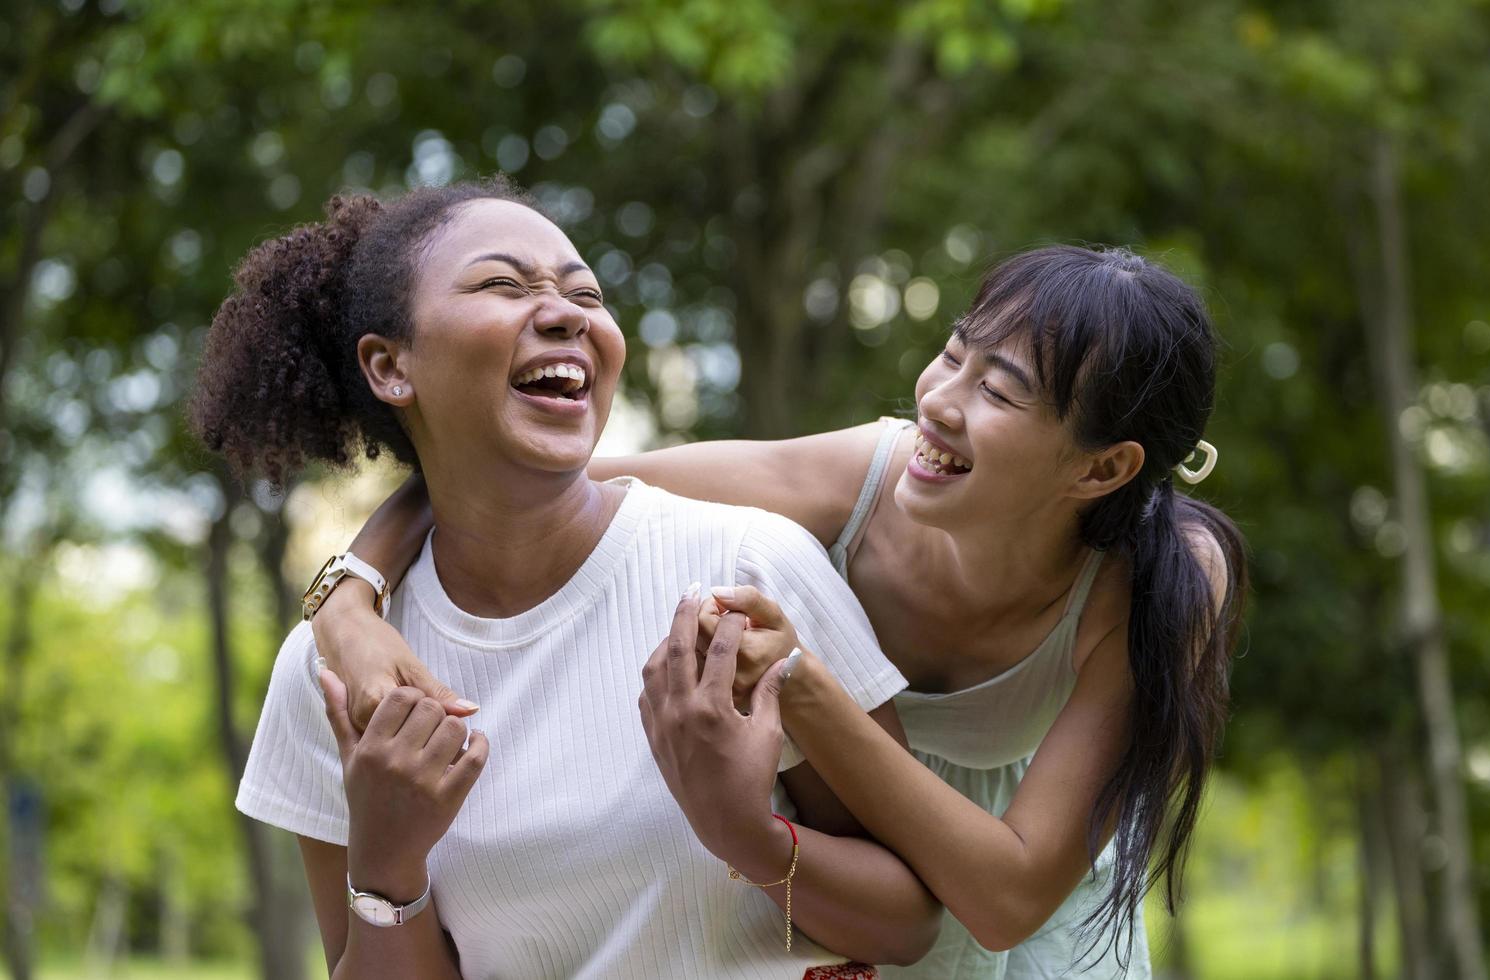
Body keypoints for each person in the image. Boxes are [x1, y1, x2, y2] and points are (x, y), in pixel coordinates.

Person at [314, 243, 1248, 977]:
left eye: (999, 392)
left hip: (1023, 940)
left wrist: (801, 684)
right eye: (953, 356)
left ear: (1101, 468)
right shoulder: (856, 479)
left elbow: (1006, 896)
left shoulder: (1163, 581)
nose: (940, 404)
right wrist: (348, 596)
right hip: (836, 902)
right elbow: (528, 480)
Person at [189, 177, 943, 979]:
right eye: (502, 285)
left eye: (586, 292)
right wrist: (385, 869)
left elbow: (906, 927)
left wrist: (742, 834)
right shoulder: (331, 675)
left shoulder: (746, 569)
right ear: (389, 365)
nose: (566, 312)